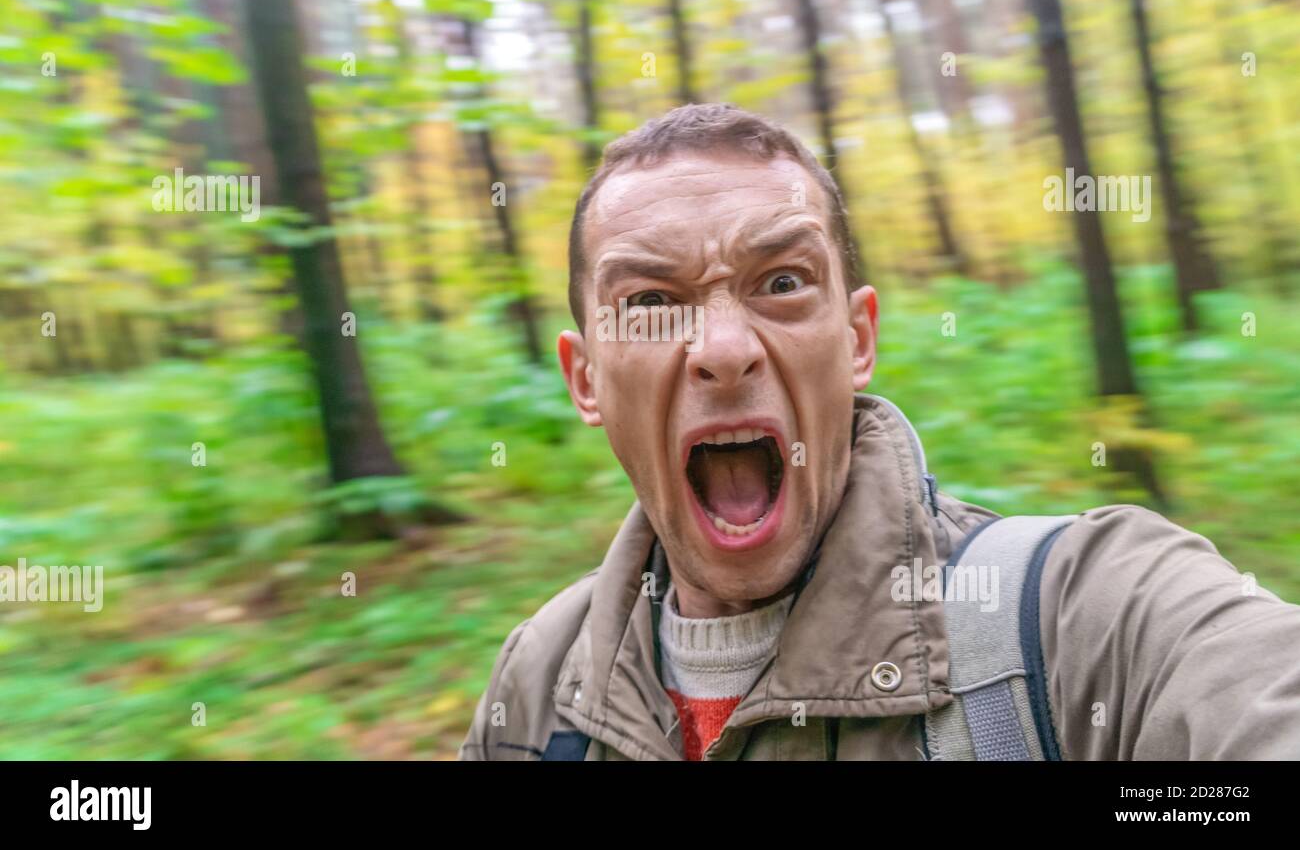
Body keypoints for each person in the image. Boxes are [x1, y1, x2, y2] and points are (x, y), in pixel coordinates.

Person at [459, 103, 1300, 761]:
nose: (721, 351)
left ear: (857, 340)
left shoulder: (1092, 615)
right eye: (648, 303)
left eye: (782, 281)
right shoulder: (539, 681)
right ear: (587, 378)